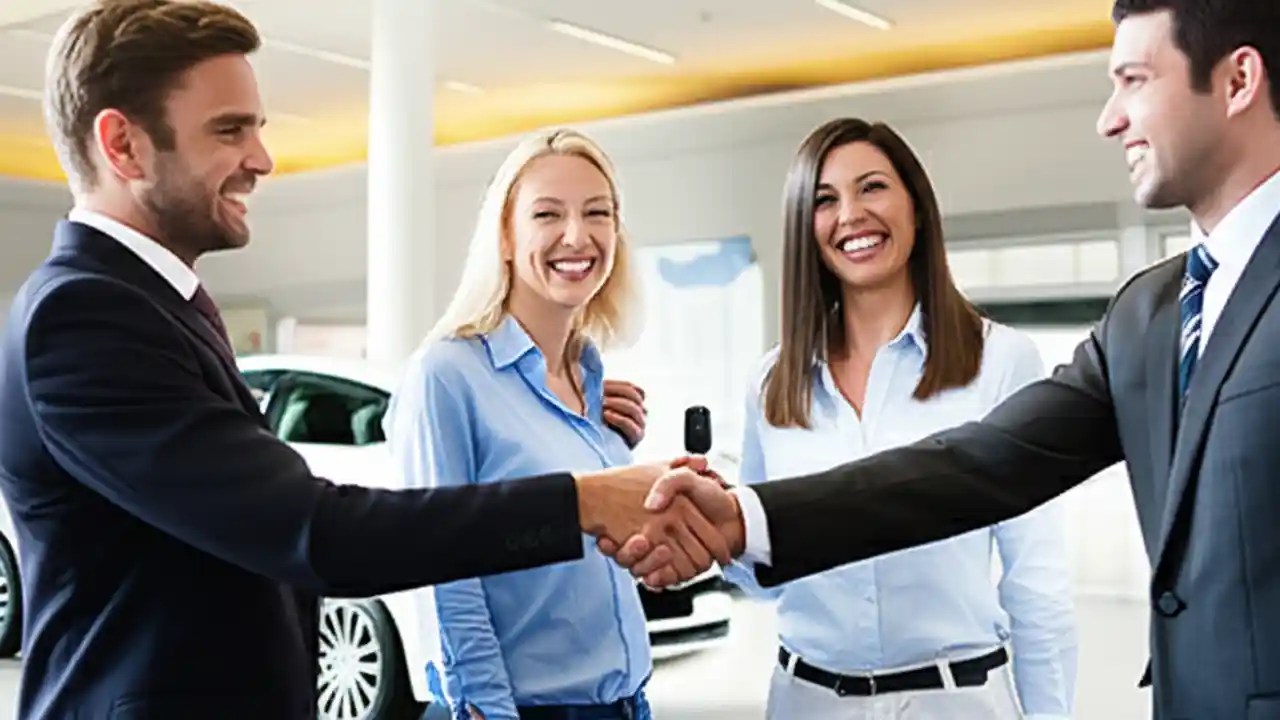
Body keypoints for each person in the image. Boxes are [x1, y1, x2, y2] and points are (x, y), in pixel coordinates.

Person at [0, 2, 724, 717]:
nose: (262, 159)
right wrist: (584, 499)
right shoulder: (83, 317)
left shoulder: (154, 302)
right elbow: (319, 534)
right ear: (123, 145)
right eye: (229, 130)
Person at [627, 0, 1280, 717]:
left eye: (1134, 80)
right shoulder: (1146, 315)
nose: (1109, 119)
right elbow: (968, 470)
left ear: (1237, 81)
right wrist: (742, 519)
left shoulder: (1005, 353)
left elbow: (1035, 580)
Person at [721, 118, 1076, 719]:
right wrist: (715, 531)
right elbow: (764, 579)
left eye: (873, 187)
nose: (851, 215)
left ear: (917, 207)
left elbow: (1036, 581)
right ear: (805, 227)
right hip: (809, 702)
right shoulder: (772, 381)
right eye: (825, 200)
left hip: (955, 702)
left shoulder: (1001, 361)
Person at [386, 129, 665, 720]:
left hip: (623, 705)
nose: (577, 235)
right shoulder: (448, 375)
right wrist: (487, 710)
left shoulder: (593, 383)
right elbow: (445, 576)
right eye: (547, 214)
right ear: (505, 238)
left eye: (598, 213)